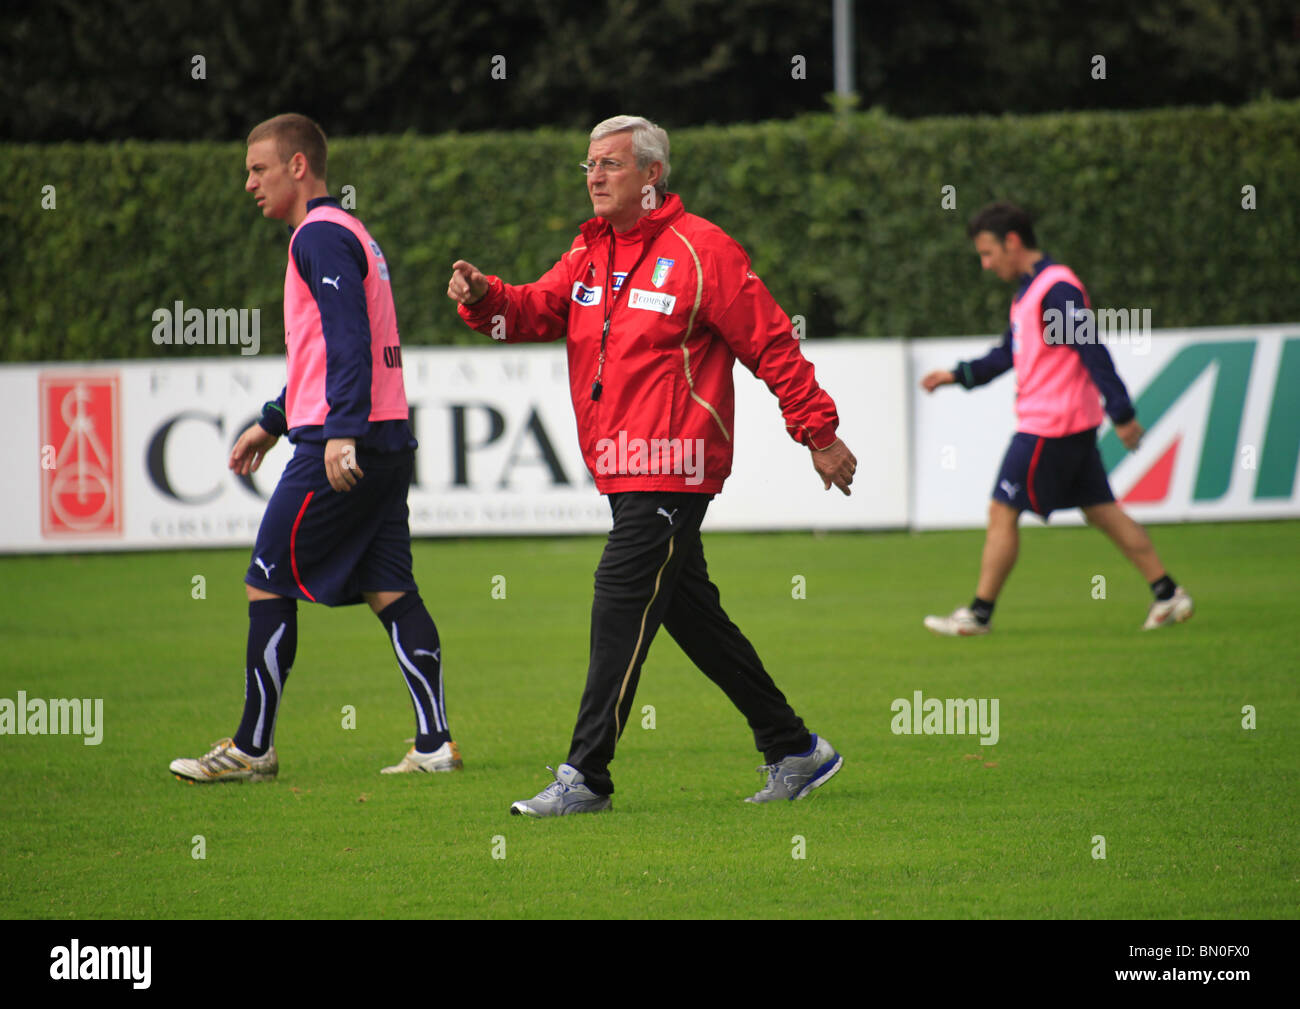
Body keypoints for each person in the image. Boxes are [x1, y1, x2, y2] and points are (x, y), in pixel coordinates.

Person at [447, 114, 856, 816]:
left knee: (619, 595)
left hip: (675, 462)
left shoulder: (704, 250)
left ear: (651, 174)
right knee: (690, 613)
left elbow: (772, 344)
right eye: (589, 166)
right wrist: (485, 296)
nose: (595, 177)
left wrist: (817, 429)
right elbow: (532, 312)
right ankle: (795, 748)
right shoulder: (587, 253)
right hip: (622, 465)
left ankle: (586, 777)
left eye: (609, 164)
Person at [170, 113, 460, 782]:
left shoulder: (320, 235)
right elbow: (322, 351)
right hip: (388, 436)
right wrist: (274, 420)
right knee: (391, 588)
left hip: (350, 437)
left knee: (265, 578)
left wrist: (339, 431)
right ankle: (435, 743)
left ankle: (251, 747)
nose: (249, 183)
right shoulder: (349, 231)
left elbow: (348, 339)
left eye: (258, 168)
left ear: (298, 166)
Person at [920, 200, 1193, 635]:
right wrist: (957, 375)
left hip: (1050, 426)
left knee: (1002, 510)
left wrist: (1122, 411)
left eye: (988, 253)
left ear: (1013, 242)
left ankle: (979, 614)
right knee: (1103, 511)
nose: (986, 265)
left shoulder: (1056, 290)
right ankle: (1167, 593)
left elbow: (1092, 349)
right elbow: (1008, 354)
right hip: (1069, 426)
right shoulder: (1030, 293)